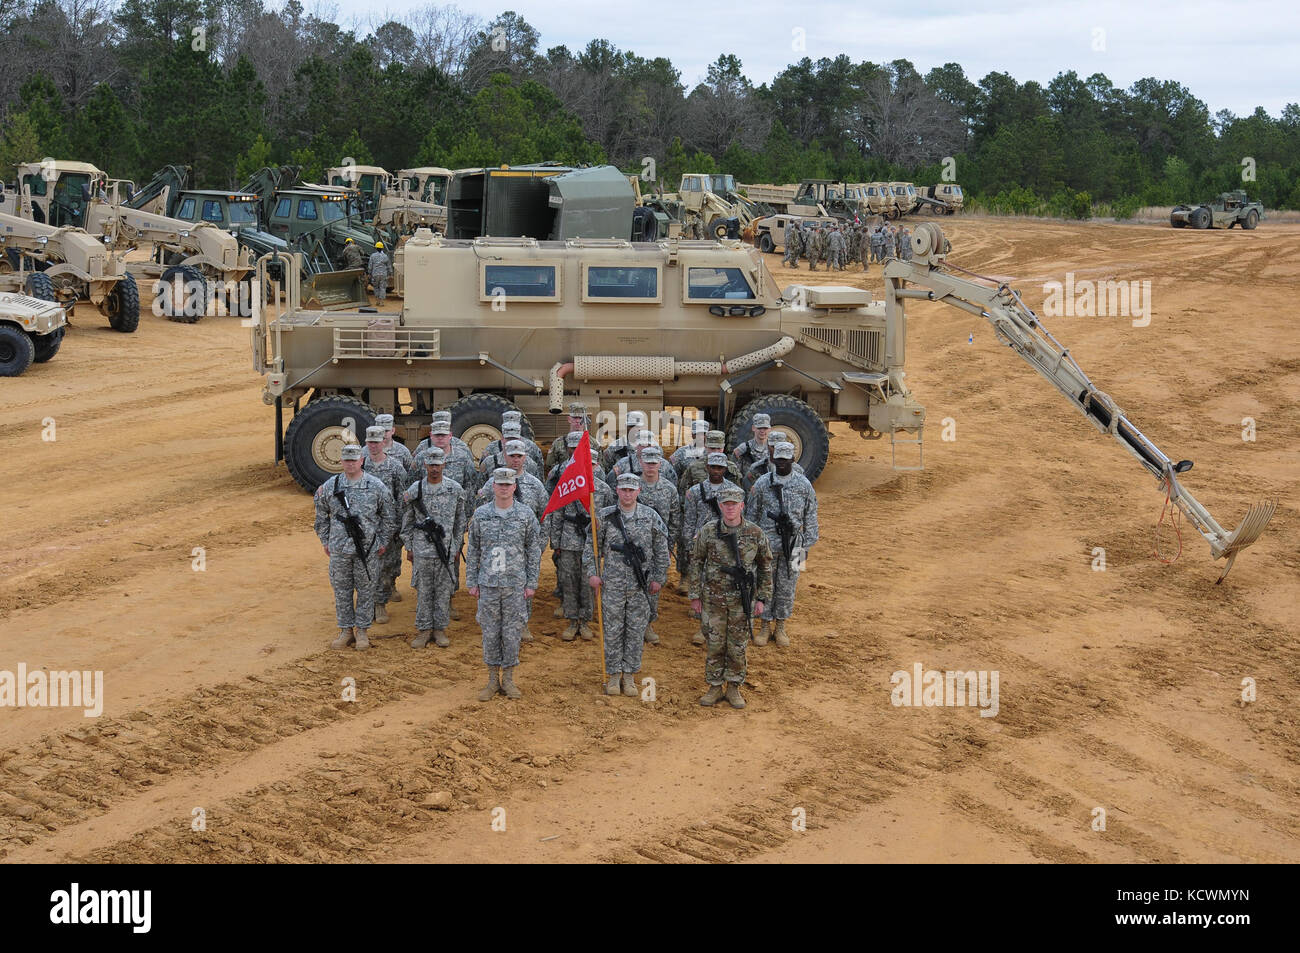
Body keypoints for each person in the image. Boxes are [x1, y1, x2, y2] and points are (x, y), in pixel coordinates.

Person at [585, 473, 670, 697]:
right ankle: (613, 675)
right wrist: (593, 573)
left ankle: (630, 675)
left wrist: (658, 578)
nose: (627, 494)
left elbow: (661, 549)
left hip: (640, 586)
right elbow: (591, 547)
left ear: (638, 491)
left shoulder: (650, 516)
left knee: (635, 631)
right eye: (623, 489)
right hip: (612, 585)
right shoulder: (604, 516)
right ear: (617, 491)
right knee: (613, 631)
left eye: (631, 490)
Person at [690, 484, 773, 709]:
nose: (730, 508)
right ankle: (715, 686)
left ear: (742, 506)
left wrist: (762, 598)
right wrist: (695, 595)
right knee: (715, 644)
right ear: (720, 506)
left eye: (734, 504)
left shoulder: (755, 533)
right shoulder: (708, 531)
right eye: (726, 504)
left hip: (741, 601)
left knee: (737, 646)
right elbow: (696, 561)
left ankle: (734, 686)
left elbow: (765, 566)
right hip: (713, 600)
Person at [465, 468, 541, 701]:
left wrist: (531, 582)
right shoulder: (481, 514)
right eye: (500, 484)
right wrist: (472, 581)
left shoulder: (525, 514)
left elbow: (533, 550)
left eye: (508, 484)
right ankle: (492, 679)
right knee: (489, 632)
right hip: (488, 584)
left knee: (512, 632)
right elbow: (474, 549)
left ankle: (508, 679)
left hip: (515, 585)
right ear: (493, 487)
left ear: (514, 487)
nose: (504, 488)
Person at [314, 444, 396, 652]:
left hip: (366, 550)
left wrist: (382, 542)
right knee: (342, 591)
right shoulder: (330, 487)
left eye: (354, 460)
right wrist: (326, 540)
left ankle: (362, 631)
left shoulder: (375, 486)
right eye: (347, 460)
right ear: (341, 462)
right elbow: (321, 516)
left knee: (366, 591)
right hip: (340, 550)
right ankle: (346, 630)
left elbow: (389, 517)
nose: (350, 464)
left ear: (362, 461)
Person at [745, 442, 819, 647]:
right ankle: (764, 626)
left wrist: (806, 546)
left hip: (796, 545)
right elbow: (751, 515)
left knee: (789, 586)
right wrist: (753, 544)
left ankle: (781, 626)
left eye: (786, 459)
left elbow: (811, 516)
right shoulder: (762, 483)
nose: (782, 463)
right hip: (767, 544)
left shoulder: (804, 484)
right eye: (779, 459)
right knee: (765, 584)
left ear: (793, 459)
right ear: (773, 459)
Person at [548, 434, 614, 642]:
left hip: (591, 543)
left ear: (596, 465)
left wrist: (604, 545)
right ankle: (572, 620)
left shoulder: (603, 490)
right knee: (568, 580)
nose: (589, 468)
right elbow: (557, 514)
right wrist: (556, 542)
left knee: (588, 583)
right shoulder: (568, 485)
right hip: (568, 541)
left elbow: (609, 519)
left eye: (592, 464)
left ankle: (584, 621)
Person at [402, 448, 466, 648]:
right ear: (425, 465)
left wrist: (456, 546)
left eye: (438, 464)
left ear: (444, 464)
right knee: (423, 592)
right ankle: (424, 630)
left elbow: (460, 521)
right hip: (422, 551)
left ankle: (439, 629)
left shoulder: (454, 489)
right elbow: (407, 521)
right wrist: (409, 546)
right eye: (431, 464)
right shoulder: (416, 490)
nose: (435, 468)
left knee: (443, 592)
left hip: (445, 550)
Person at [633, 445, 680, 643]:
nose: (650, 466)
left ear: (660, 464)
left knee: (653, 586)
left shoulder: (669, 489)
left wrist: (669, 546)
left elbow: (675, 520)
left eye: (654, 463)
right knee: (633, 584)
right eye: (647, 462)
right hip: (633, 546)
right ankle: (633, 625)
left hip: (657, 546)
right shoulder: (632, 486)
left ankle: (648, 624)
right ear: (640, 462)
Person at [362, 426, 408, 623]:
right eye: (370, 442)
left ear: (384, 442)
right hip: (365, 525)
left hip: (388, 525)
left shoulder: (395, 467)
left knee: (387, 565)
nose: (373, 445)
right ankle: (370, 603)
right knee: (365, 565)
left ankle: (380, 601)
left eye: (377, 442)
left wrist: (399, 526)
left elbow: (402, 498)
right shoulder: (361, 464)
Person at [546, 401, 589, 473]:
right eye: (575, 417)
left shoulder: (593, 443)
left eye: (580, 418)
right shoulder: (558, 443)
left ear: (585, 420)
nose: (578, 421)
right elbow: (549, 467)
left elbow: (599, 468)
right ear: (569, 419)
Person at [732, 413, 772, 480]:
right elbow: (734, 472)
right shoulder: (743, 448)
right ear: (753, 428)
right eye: (759, 428)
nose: (762, 431)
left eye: (765, 428)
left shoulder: (773, 448)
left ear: (769, 429)